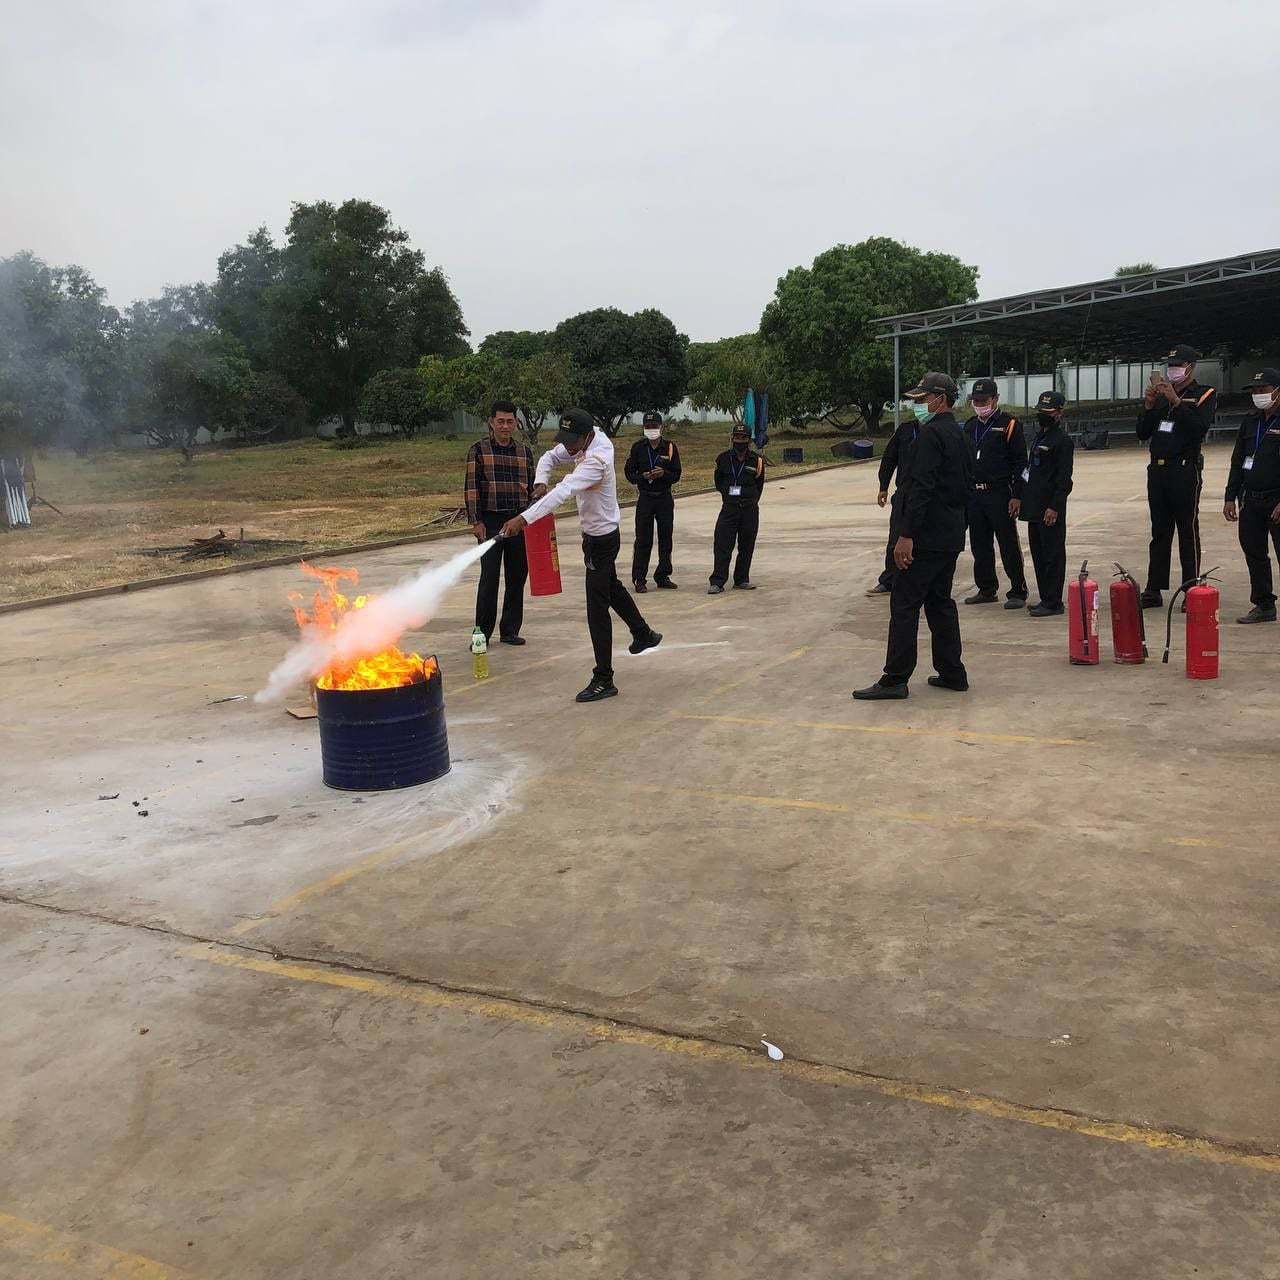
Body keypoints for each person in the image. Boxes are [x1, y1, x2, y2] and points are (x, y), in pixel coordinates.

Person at [500, 408, 661, 703]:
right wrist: (540, 480)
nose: (569, 446)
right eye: (566, 439)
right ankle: (643, 633)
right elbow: (549, 457)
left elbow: (564, 492)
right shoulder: (585, 439)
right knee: (611, 588)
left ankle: (604, 678)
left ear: (588, 435)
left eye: (573, 441)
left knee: (596, 607)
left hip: (603, 540)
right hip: (594, 537)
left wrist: (524, 519)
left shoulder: (597, 460)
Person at [854, 372, 971, 700]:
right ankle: (952, 672)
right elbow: (965, 488)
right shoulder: (961, 435)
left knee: (904, 605)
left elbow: (921, 488)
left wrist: (906, 536)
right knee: (940, 603)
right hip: (948, 537)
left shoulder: (931, 435)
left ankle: (895, 678)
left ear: (940, 399)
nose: (918, 405)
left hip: (923, 538)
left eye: (922, 399)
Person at [1136, 343, 1216, 608]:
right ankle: (1154, 588)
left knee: (1187, 530)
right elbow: (1143, 432)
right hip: (1157, 470)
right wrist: (1149, 406)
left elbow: (1198, 429)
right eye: (1170, 366)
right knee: (1159, 531)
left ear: (1191, 367)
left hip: (1184, 469)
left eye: (1178, 366)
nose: (1173, 371)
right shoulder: (1159, 398)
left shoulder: (1203, 395)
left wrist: (1176, 402)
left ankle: (1190, 588)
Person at [464, 401, 534, 646]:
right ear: (491, 422)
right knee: (489, 579)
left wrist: (531, 515)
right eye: (501, 421)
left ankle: (510, 630)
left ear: (516, 422)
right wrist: (476, 521)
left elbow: (533, 489)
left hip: (518, 521)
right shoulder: (479, 450)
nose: (506, 426)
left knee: (517, 577)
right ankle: (481, 634)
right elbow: (472, 488)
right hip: (490, 522)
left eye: (510, 421)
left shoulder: (524, 452)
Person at [962, 377, 1029, 609]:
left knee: (1007, 543)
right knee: (980, 544)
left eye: (984, 400)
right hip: (974, 494)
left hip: (1000, 492)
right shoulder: (970, 426)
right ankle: (986, 588)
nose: (980, 404)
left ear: (996, 399)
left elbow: (1021, 463)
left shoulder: (1009, 424)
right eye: (976, 400)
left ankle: (1018, 590)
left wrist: (1017, 495)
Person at [1223, 367, 1280, 624]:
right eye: (1255, 391)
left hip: (1275, 499)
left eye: (1263, 390)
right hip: (1250, 499)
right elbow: (1238, 460)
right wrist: (1230, 496)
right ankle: (1263, 604)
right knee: (1254, 553)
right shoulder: (1250, 421)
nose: (1258, 395)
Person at [1016, 391, 1075, 617]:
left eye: (1048, 412)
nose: (1043, 415)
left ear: (1059, 414)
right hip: (1034, 507)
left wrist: (1055, 507)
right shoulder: (1040, 437)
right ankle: (1044, 597)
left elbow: (1064, 480)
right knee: (1039, 554)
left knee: (1052, 555)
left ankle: (1053, 601)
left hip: (1050, 508)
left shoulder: (1062, 441)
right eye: (1041, 411)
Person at [624, 410, 682, 592]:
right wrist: (642, 476)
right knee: (643, 539)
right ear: (643, 428)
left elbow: (677, 474)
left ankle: (663, 575)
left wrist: (664, 474)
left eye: (654, 427)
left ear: (661, 427)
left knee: (666, 537)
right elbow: (629, 473)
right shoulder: (638, 448)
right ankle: (639, 578)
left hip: (664, 497)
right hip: (646, 498)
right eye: (647, 427)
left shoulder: (670, 448)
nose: (651, 430)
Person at [708, 424, 765, 594]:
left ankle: (741, 579)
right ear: (732, 438)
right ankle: (717, 582)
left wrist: (750, 499)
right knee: (722, 544)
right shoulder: (723, 459)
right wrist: (729, 496)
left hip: (749, 508)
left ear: (749, 440)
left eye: (743, 438)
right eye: (737, 437)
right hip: (729, 508)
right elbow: (718, 482)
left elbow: (759, 485)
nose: (740, 440)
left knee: (747, 545)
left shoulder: (757, 461)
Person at [865, 416, 918, 597]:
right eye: (917, 401)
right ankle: (889, 580)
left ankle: (920, 583)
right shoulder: (905, 430)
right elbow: (889, 458)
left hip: (932, 495)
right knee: (896, 539)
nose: (920, 405)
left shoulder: (942, 431)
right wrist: (883, 487)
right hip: (904, 493)